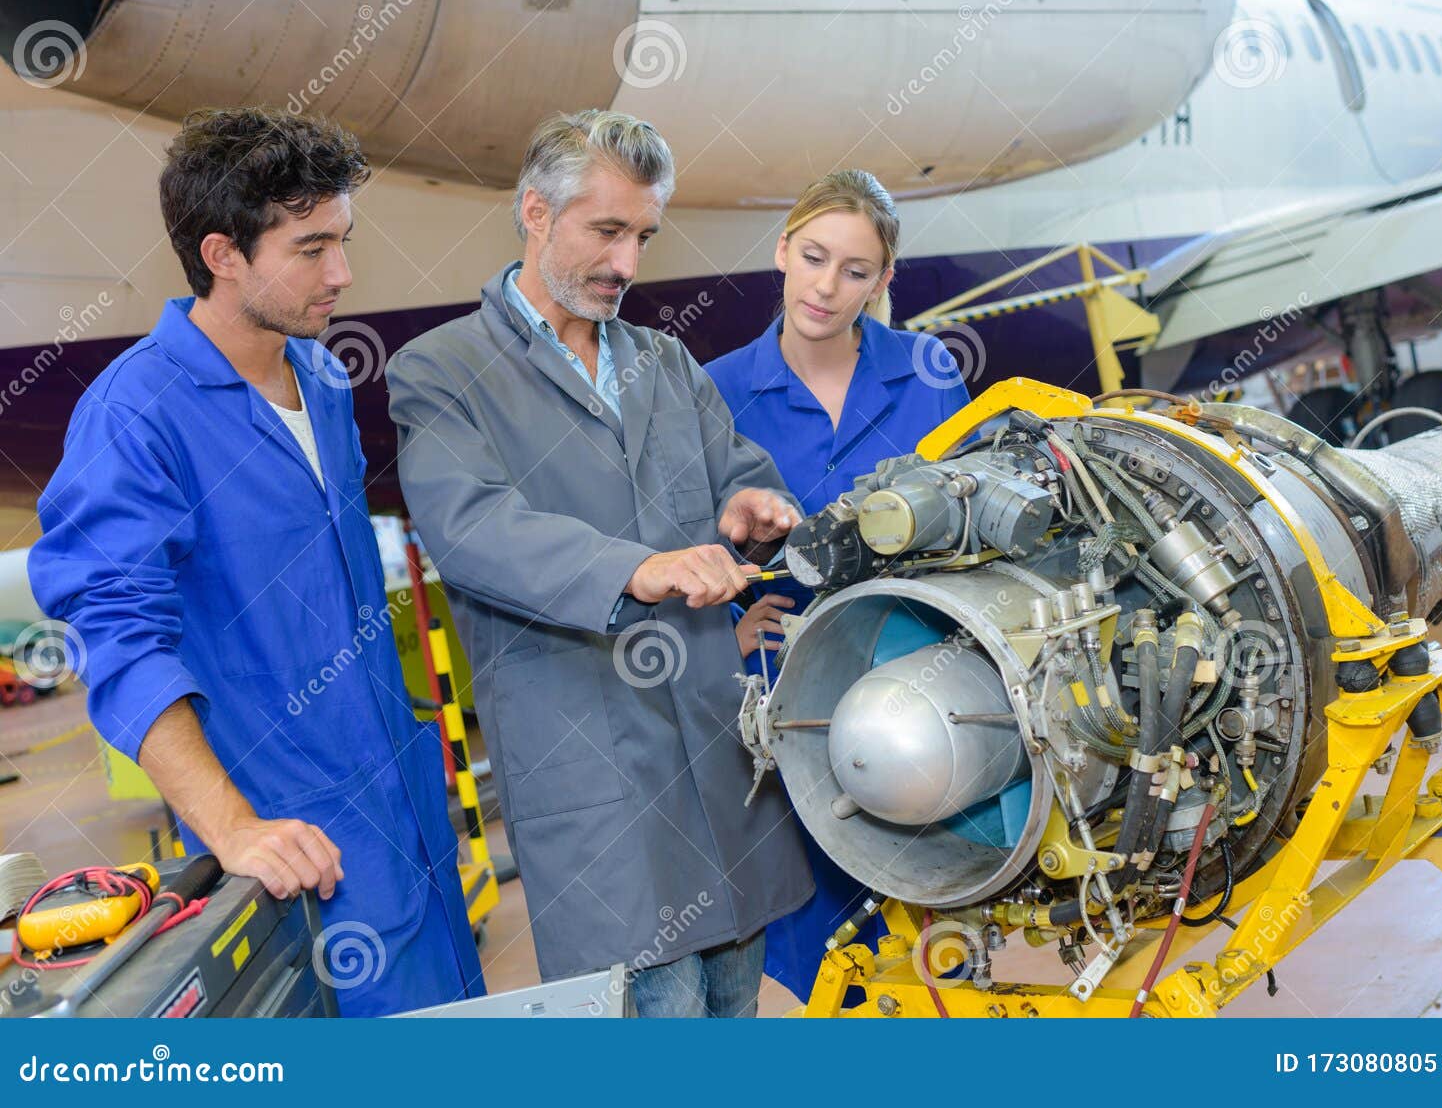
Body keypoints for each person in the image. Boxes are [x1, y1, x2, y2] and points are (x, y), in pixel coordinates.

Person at [27, 108, 484, 1016]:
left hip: (406, 821)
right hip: (298, 851)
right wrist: (233, 829)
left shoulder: (321, 375)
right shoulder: (135, 416)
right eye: (311, 249)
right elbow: (117, 640)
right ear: (223, 255)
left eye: (343, 241)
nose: (342, 274)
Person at [385, 109, 814, 1018]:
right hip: (593, 771)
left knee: (736, 1010)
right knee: (655, 1019)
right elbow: (472, 526)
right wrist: (635, 569)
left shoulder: (663, 361)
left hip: (712, 744)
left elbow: (734, 475)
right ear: (535, 212)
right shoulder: (442, 371)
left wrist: (754, 513)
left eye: (643, 237)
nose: (627, 264)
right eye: (607, 230)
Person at [704, 169, 973, 1003]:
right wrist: (727, 636)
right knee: (827, 944)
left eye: (855, 271)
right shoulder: (714, 390)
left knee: (935, 916)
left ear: (882, 279)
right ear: (783, 250)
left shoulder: (927, 370)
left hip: (918, 669)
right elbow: (685, 542)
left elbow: (972, 517)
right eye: (814, 258)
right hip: (786, 695)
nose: (826, 287)